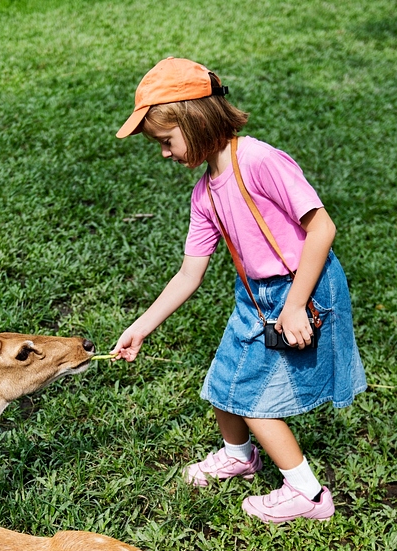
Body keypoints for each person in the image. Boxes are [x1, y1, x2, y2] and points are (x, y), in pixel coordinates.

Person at [111, 57, 367, 524]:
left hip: (302, 288)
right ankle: (240, 455)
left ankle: (307, 495)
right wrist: (140, 327)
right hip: (254, 297)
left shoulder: (259, 160)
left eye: (167, 142)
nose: (165, 154)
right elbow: (190, 274)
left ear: (195, 118)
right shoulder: (204, 193)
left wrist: (293, 306)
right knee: (224, 381)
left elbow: (322, 229)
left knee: (251, 398)